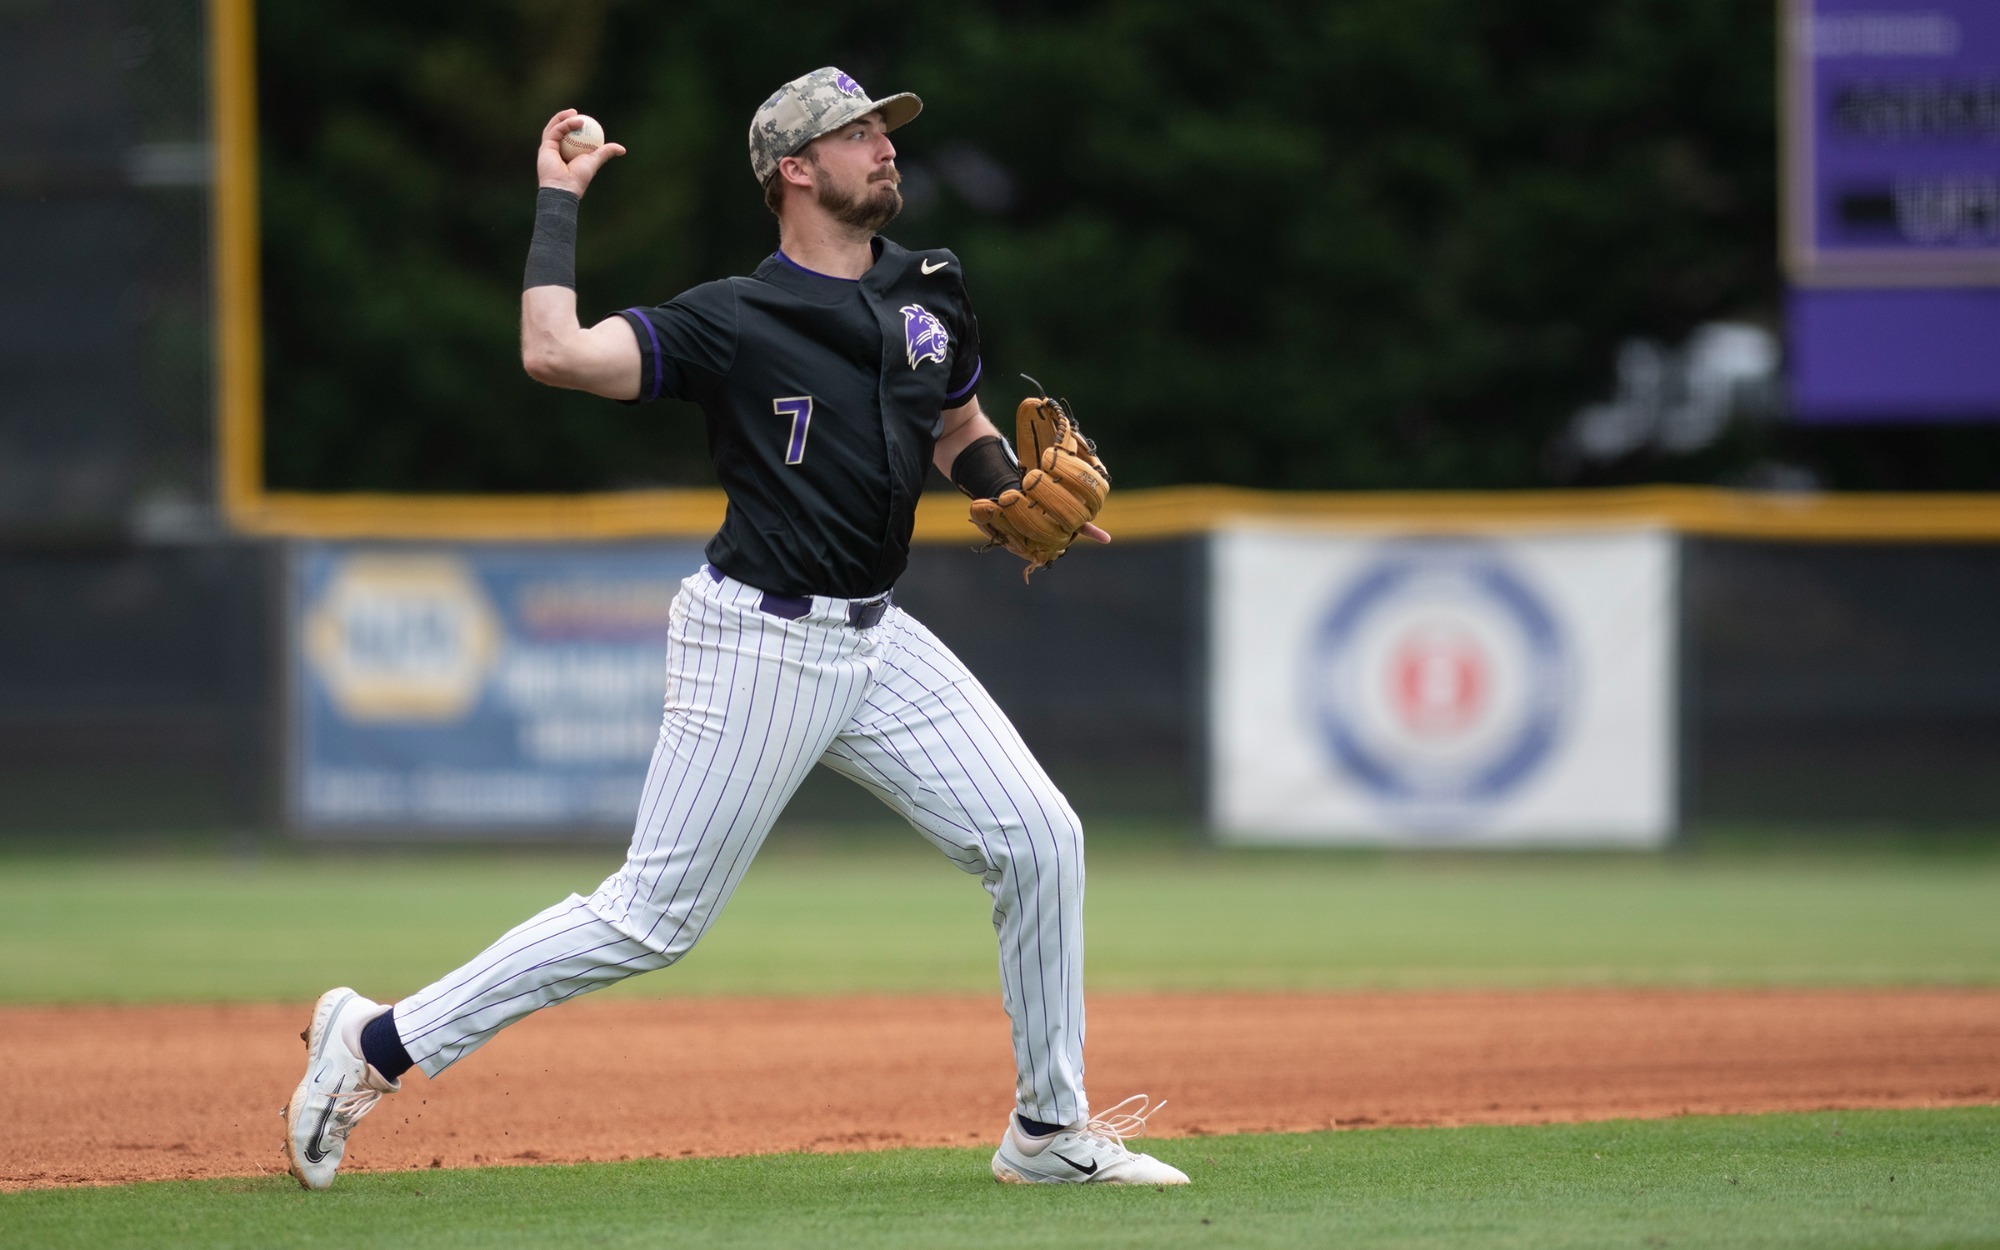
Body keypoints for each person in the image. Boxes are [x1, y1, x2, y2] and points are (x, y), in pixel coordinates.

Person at [284, 67, 1189, 1191]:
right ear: (793, 169)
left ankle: (1049, 1131)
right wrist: (558, 199)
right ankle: (370, 1044)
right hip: (757, 639)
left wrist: (1005, 491)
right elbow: (552, 352)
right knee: (651, 918)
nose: (884, 146)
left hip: (876, 637)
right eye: (856, 133)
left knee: (1042, 839)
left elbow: (955, 422)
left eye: (885, 128)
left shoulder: (930, 288)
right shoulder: (731, 319)